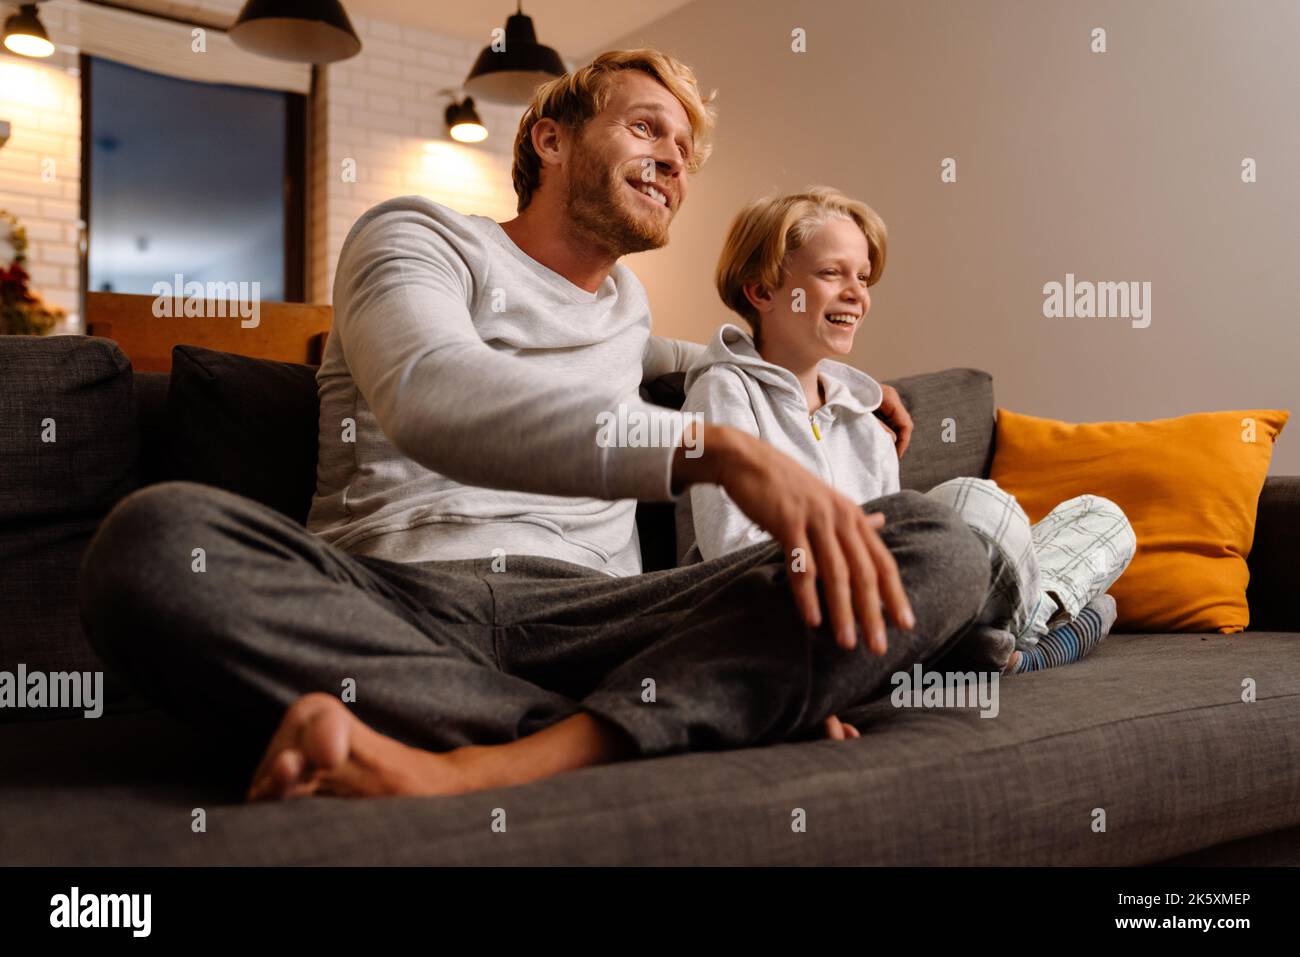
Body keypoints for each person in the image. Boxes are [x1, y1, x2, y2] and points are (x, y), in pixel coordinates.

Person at [78, 51, 993, 801]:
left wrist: (847, 378)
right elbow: (432, 389)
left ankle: (474, 750)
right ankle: (652, 722)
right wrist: (713, 450)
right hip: (397, 599)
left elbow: (705, 355)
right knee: (153, 543)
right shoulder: (417, 238)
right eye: (645, 127)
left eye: (685, 149)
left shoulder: (628, 311)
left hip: (596, 618)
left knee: (938, 542)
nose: (675, 159)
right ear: (550, 139)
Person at [676, 186, 1137, 676]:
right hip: (804, 611)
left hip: (903, 601)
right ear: (763, 290)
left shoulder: (867, 420)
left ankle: (991, 642)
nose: (857, 294)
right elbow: (733, 548)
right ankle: (1015, 638)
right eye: (832, 273)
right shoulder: (724, 393)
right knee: (974, 504)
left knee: (1101, 517)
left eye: (863, 277)